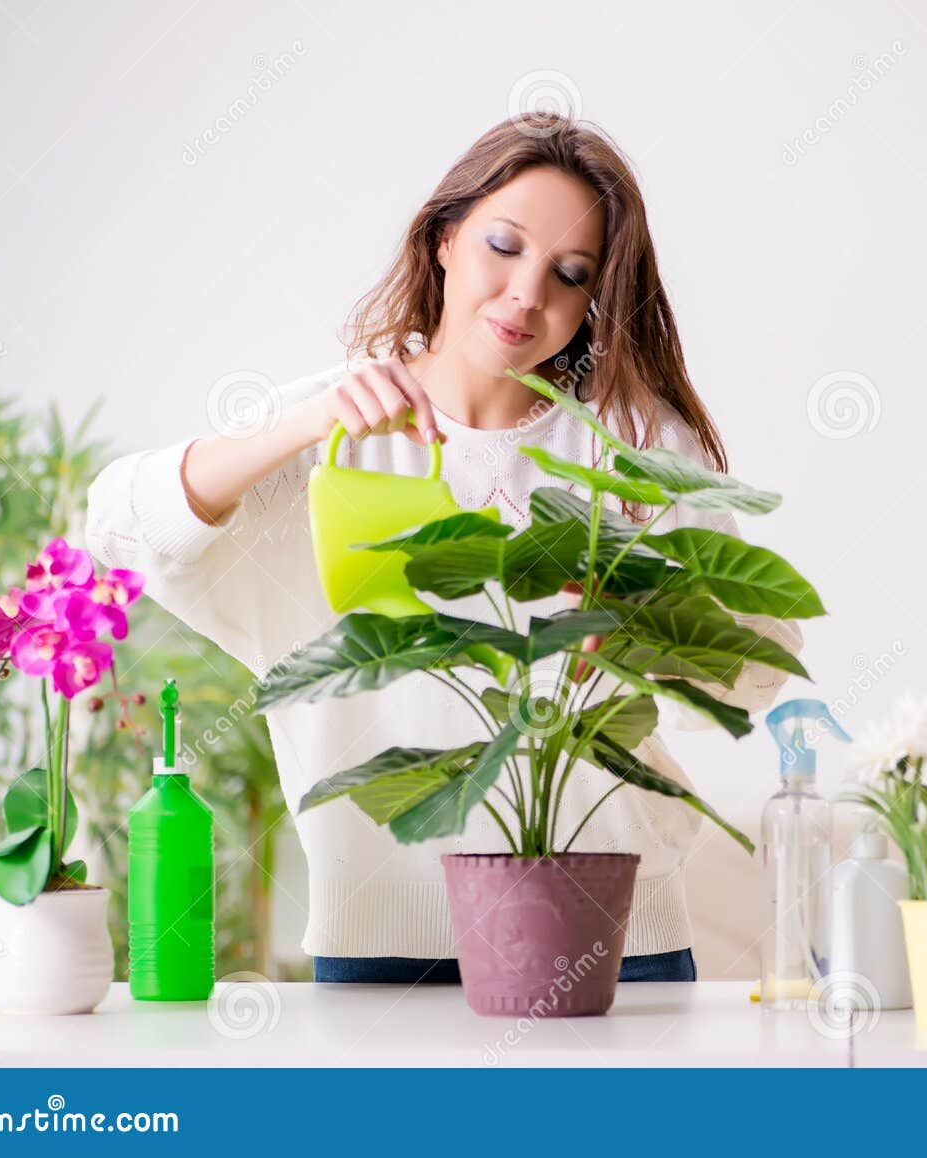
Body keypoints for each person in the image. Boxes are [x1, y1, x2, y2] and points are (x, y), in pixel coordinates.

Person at [85, 114, 801, 984]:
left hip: (610, 932)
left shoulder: (633, 446)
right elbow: (121, 527)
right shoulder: (332, 430)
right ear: (445, 239)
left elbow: (762, 661)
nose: (525, 295)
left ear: (592, 302)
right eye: (504, 246)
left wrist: (637, 627)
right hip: (386, 936)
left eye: (568, 276)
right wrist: (307, 422)